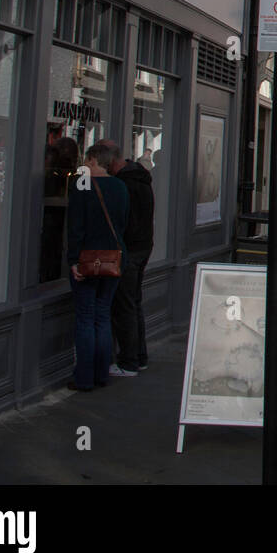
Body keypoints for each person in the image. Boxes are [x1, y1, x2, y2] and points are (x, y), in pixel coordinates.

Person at [66, 141, 129, 391]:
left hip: (88, 259)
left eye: (86, 162)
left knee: (85, 318)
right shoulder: (121, 187)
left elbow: (75, 227)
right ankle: (102, 373)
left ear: (93, 160)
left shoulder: (83, 185)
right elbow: (123, 223)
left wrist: (73, 260)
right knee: (102, 316)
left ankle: (84, 377)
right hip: (113, 260)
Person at [103, 140, 154, 377]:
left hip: (129, 249)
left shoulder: (122, 184)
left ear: (111, 162)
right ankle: (139, 356)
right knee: (133, 303)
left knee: (125, 306)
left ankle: (129, 361)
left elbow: (123, 221)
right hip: (143, 246)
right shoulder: (142, 178)